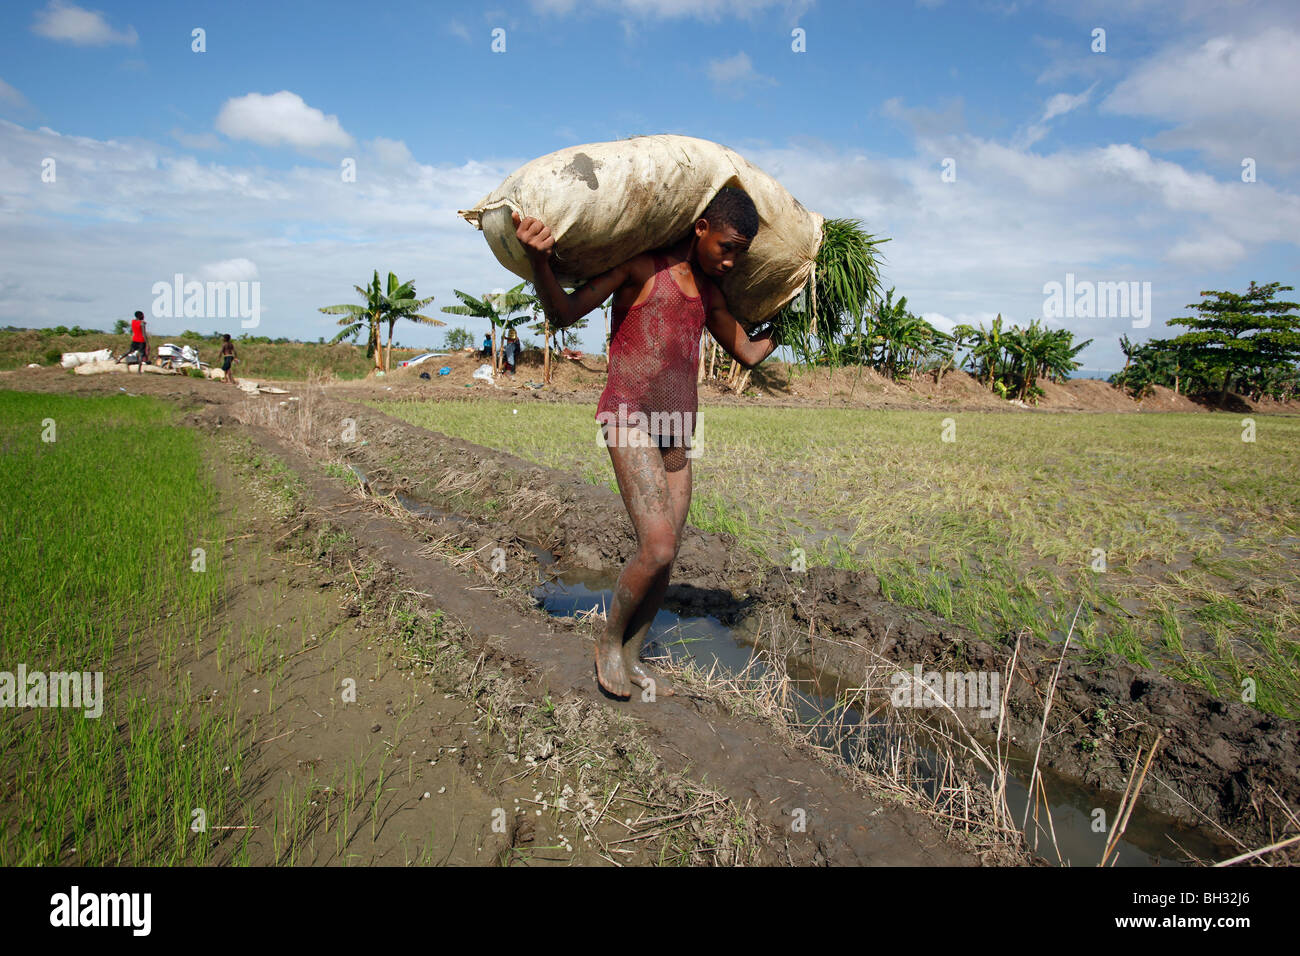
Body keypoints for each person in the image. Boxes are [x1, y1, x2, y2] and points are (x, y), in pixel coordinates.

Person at [515, 188, 780, 699]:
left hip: (678, 429)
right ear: (700, 228)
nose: (730, 259)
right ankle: (608, 643)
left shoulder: (709, 292)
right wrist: (538, 261)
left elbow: (745, 351)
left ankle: (634, 655)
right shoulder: (642, 269)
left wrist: (784, 324)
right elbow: (564, 312)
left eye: (739, 254)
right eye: (726, 246)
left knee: (669, 552)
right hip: (628, 415)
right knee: (656, 546)